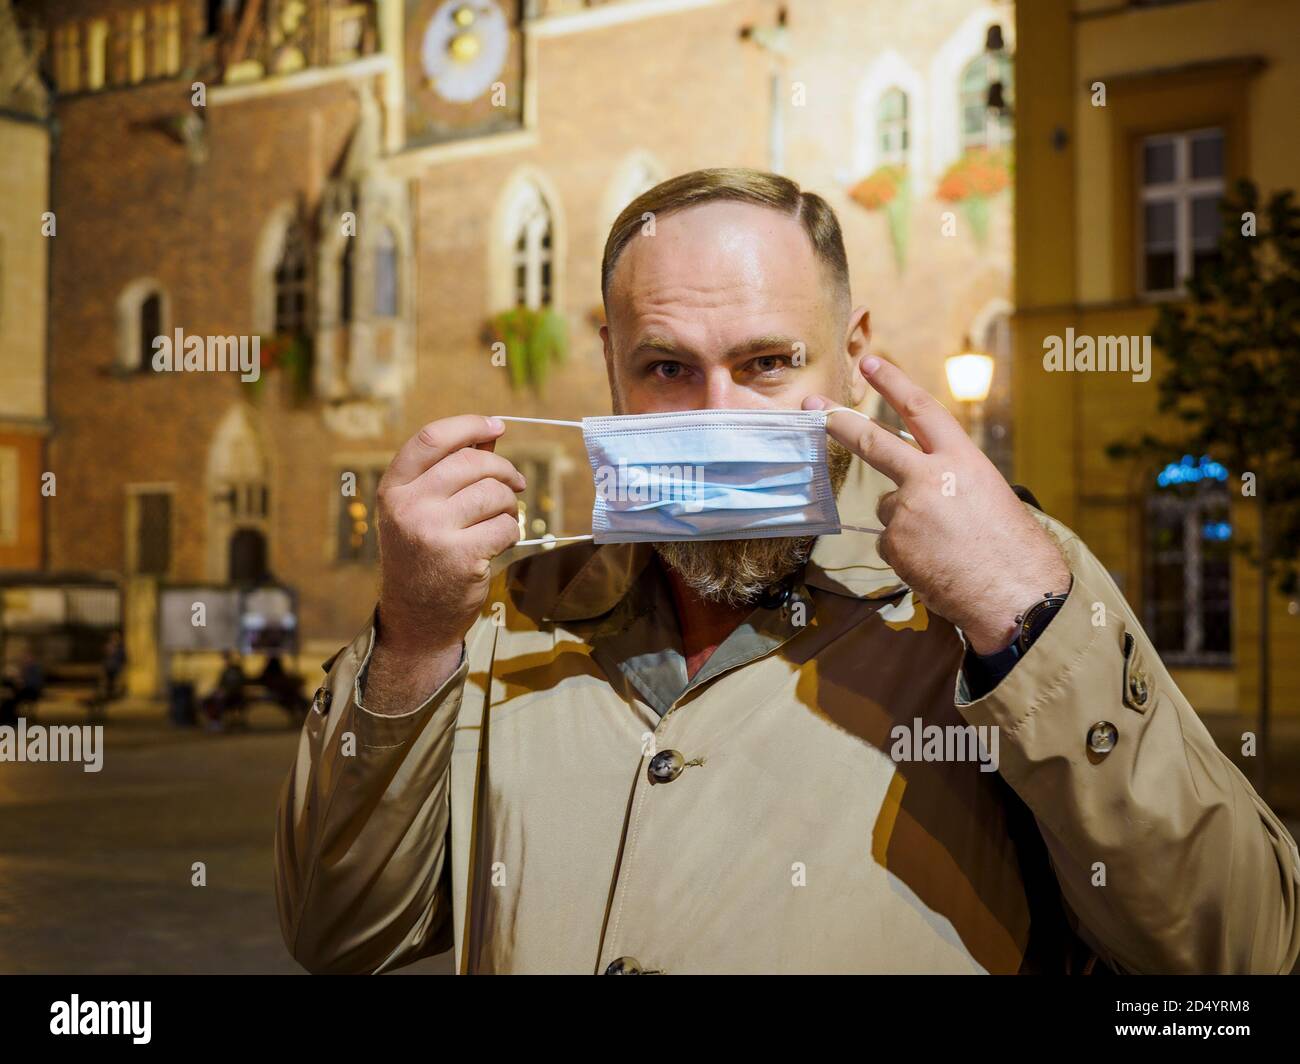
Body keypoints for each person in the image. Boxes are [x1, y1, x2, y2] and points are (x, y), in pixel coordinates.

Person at [274, 168, 1300, 976]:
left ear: (852, 354)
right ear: (611, 369)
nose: (719, 410)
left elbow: (1240, 948)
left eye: (767, 363)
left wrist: (1028, 618)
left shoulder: (999, 586)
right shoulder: (506, 613)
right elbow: (341, 931)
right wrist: (411, 637)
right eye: (668, 367)